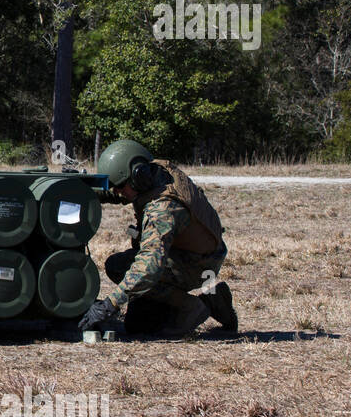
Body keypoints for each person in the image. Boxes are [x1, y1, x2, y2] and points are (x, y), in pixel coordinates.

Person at [79, 139, 238, 337]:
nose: (116, 191)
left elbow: (149, 267)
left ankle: (192, 306)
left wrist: (109, 305)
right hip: (197, 255)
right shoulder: (156, 173)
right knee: (138, 325)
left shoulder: (162, 209)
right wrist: (81, 187)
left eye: (119, 186)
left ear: (137, 178)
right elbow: (122, 193)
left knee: (118, 266)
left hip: (197, 265)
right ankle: (215, 301)